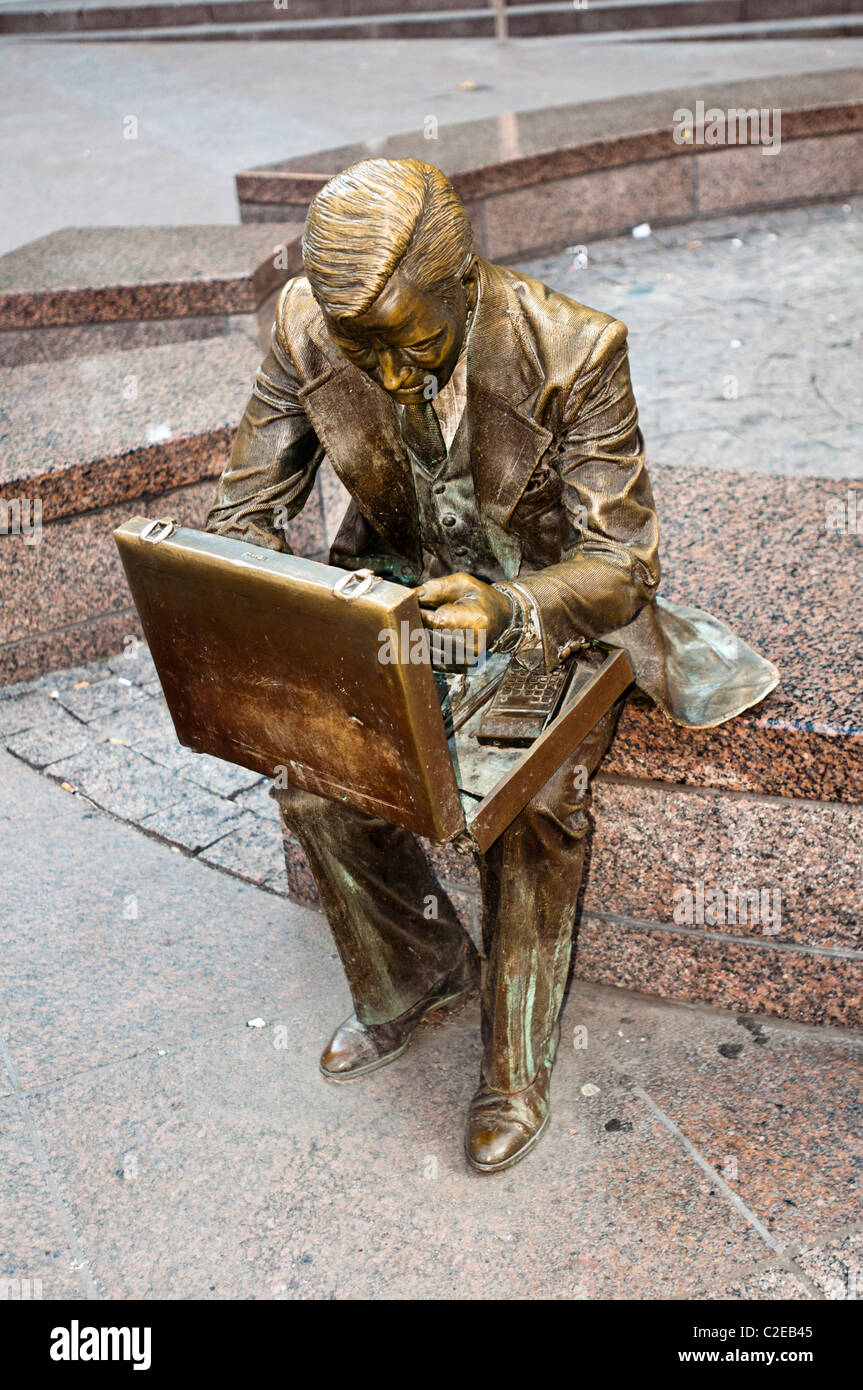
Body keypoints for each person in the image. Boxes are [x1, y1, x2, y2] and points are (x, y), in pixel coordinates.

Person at [206, 158, 777, 1172]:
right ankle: (417, 973)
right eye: (360, 354)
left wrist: (507, 606)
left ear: (462, 281)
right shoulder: (304, 322)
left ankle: (513, 1066)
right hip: (390, 591)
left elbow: (621, 564)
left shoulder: (572, 347)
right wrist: (273, 620)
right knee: (314, 777)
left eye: (409, 346)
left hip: (547, 607)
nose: (386, 379)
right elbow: (243, 512)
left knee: (531, 795)